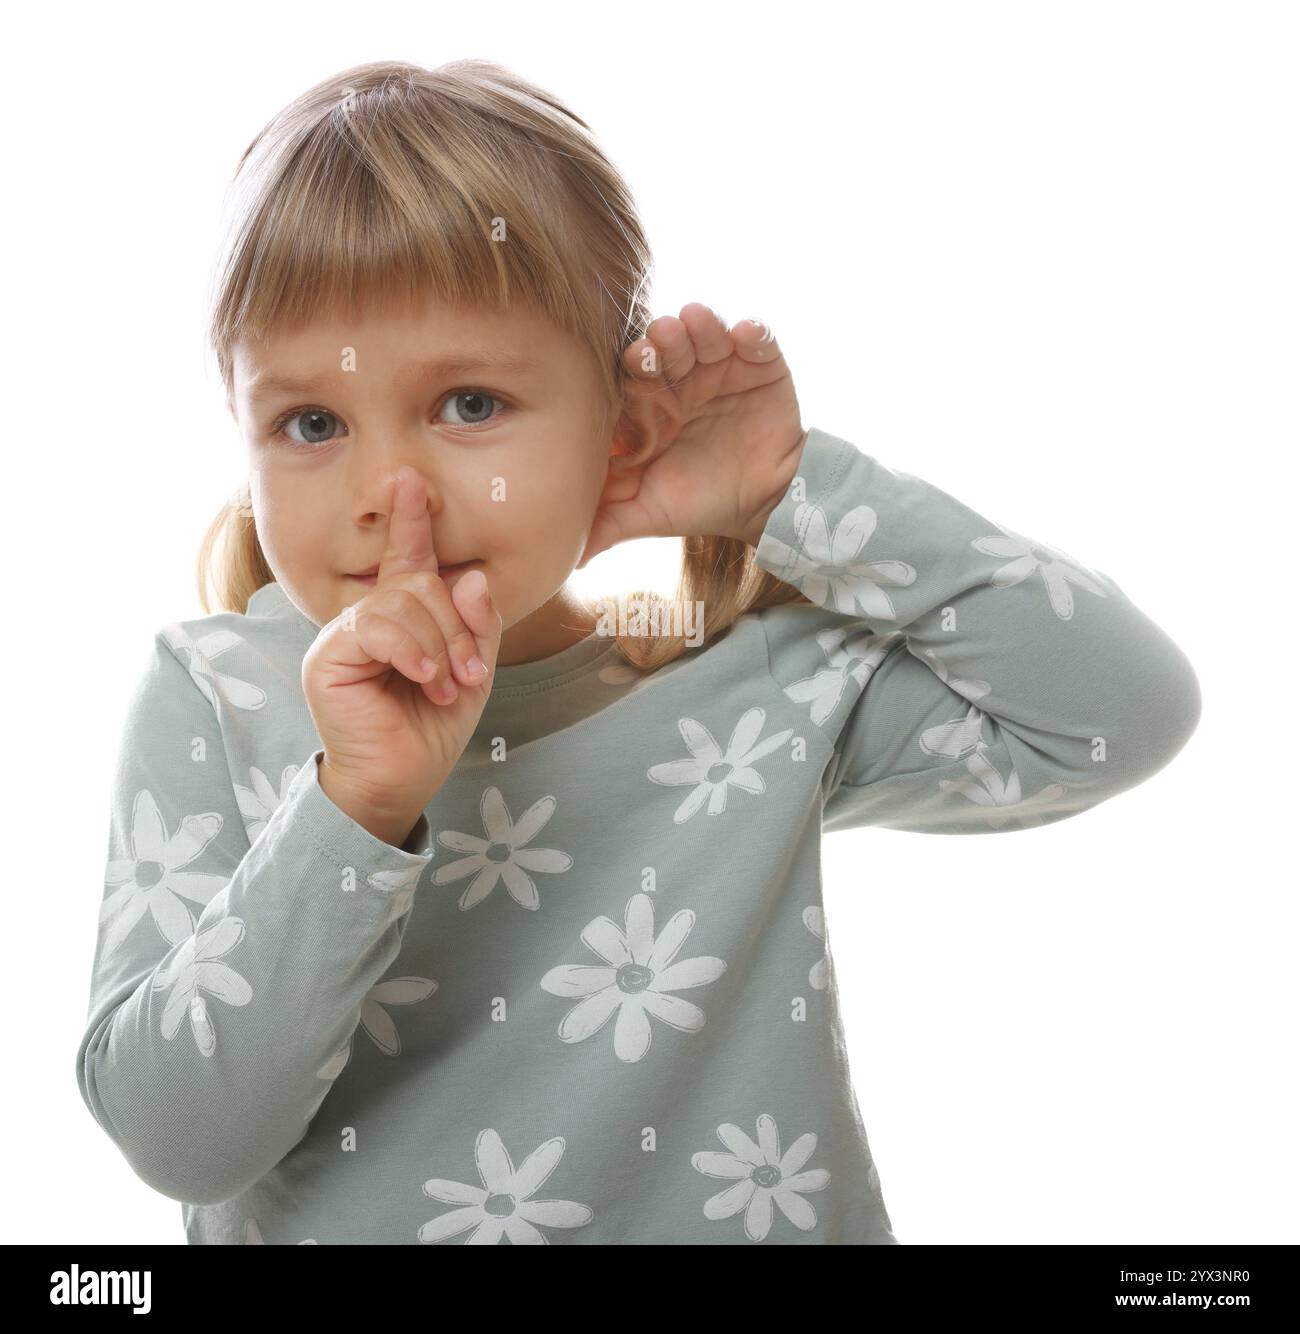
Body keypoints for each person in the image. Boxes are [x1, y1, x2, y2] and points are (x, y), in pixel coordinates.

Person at [74, 58, 1201, 1245]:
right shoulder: (215, 694)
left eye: (467, 404)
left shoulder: (741, 683)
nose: (384, 492)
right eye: (311, 423)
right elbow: (179, 1140)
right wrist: (353, 808)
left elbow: (1119, 710)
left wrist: (792, 493)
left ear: (620, 425)